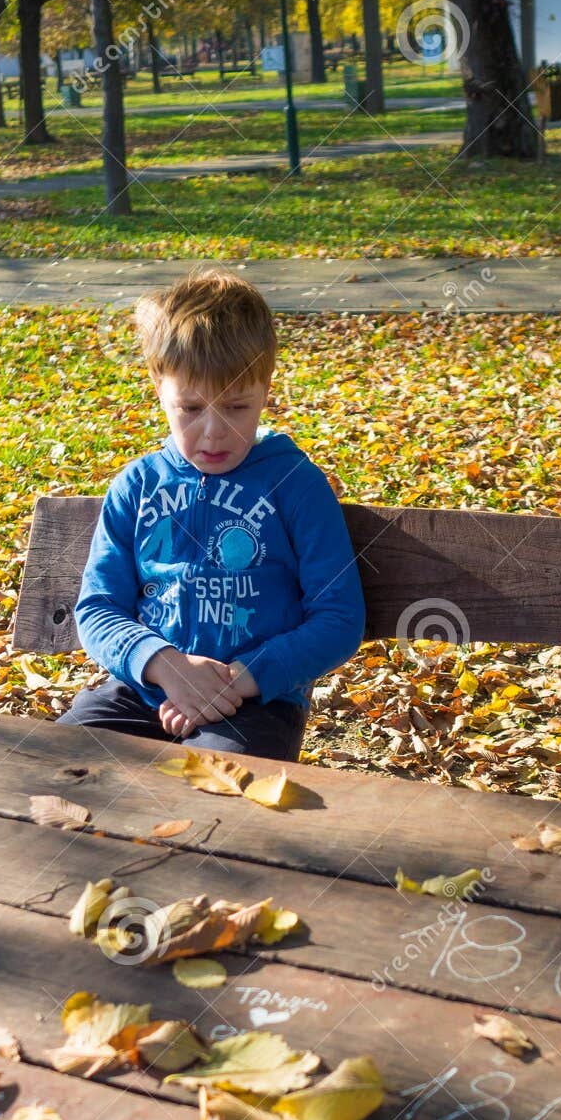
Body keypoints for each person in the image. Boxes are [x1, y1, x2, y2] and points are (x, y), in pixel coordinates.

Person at [59, 266, 365, 762]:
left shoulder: (295, 485)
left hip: (257, 701)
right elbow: (98, 609)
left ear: (266, 389)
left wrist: (239, 680)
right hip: (142, 691)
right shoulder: (137, 486)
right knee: (54, 763)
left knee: (218, 795)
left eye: (237, 408)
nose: (213, 433)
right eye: (191, 408)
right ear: (159, 387)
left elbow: (339, 616)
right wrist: (164, 665)